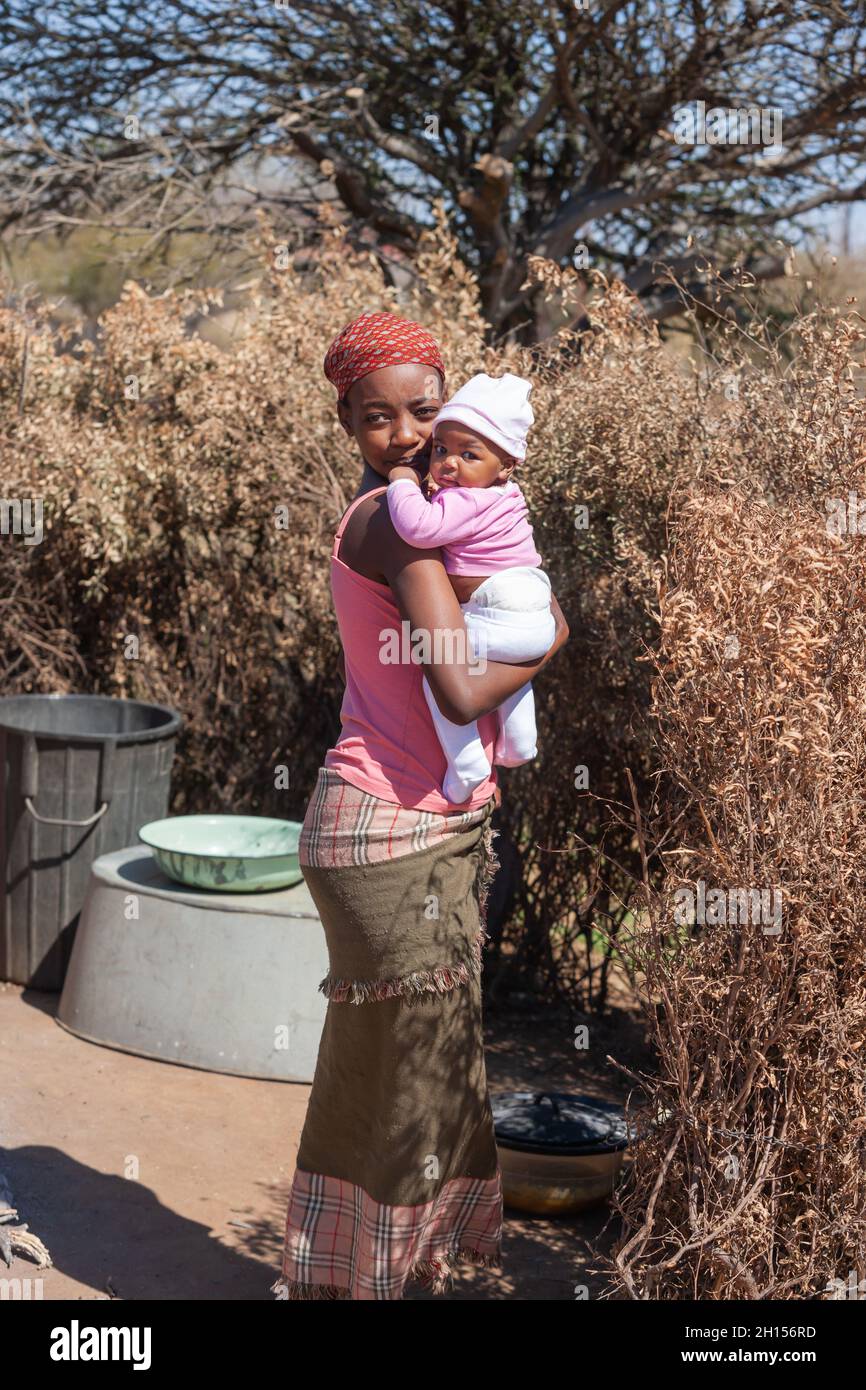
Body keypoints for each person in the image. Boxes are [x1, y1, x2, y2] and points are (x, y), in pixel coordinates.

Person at [271, 312, 569, 1301]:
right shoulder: (394, 529)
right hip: (389, 832)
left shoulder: (407, 514)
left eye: (424, 412)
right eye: (375, 419)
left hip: (414, 826)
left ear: (455, 411)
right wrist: (552, 636)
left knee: (413, 1070)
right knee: (404, 1082)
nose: (405, 438)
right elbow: (458, 688)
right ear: (346, 423)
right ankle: (369, 1280)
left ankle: (369, 1272)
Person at [386, 370, 555, 803]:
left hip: (500, 605)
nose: (449, 463)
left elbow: (419, 528)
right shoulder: (506, 495)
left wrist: (403, 481)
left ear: (507, 466)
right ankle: (519, 744)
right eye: (441, 449)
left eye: (469, 455)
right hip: (535, 613)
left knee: (441, 674)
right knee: (504, 667)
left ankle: (467, 765)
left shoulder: (466, 499)